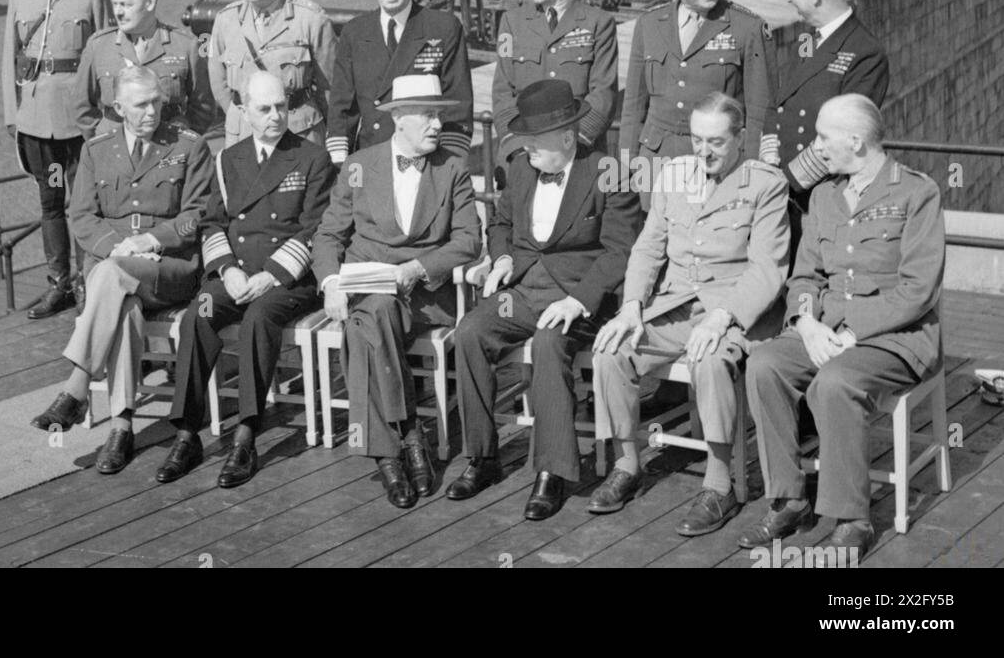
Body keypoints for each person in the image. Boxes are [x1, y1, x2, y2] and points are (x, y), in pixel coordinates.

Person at [740, 95, 944, 563]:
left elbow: (918, 290)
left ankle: (852, 519)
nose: (815, 147)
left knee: (835, 382)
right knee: (765, 364)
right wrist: (805, 323)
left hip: (895, 338)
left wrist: (852, 333)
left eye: (823, 137)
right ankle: (789, 499)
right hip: (826, 329)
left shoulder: (916, 192)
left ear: (855, 140)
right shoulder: (824, 196)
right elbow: (805, 277)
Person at [592, 94, 789, 537]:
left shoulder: (764, 184)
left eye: (716, 142)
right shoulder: (674, 174)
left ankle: (719, 483)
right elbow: (649, 246)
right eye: (697, 140)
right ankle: (627, 465)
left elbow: (767, 269)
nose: (704, 151)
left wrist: (723, 317)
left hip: (733, 310)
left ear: (740, 138)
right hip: (676, 304)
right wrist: (631, 306)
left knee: (710, 359)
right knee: (611, 349)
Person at [447, 80, 641, 522]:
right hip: (523, 291)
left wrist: (578, 301)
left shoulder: (610, 172)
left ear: (568, 137)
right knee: (470, 331)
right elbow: (500, 224)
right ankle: (482, 456)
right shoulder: (520, 168)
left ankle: (552, 472)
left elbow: (619, 252)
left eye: (536, 138)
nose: (526, 145)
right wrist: (501, 259)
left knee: (549, 342)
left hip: (577, 297)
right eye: (525, 136)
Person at [156, 71, 335, 489]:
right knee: (198, 315)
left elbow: (316, 228)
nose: (275, 116)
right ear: (244, 111)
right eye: (264, 109)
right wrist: (228, 269)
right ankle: (187, 433)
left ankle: (246, 434)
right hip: (235, 272)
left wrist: (271, 275)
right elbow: (212, 222)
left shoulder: (312, 158)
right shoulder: (227, 159)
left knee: (258, 318)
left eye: (281, 107)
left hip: (288, 278)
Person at [29, 68, 212, 474]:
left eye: (156, 102)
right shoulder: (97, 150)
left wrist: (150, 241)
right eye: (141, 104)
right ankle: (122, 427)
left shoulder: (189, 146)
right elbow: (81, 216)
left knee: (111, 278)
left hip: (168, 269)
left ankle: (76, 387)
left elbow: (197, 215)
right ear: (118, 108)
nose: (152, 111)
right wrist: (118, 249)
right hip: (114, 269)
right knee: (123, 304)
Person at [312, 74, 481, 510]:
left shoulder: (453, 168)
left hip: (425, 296)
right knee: (373, 314)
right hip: (367, 290)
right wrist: (330, 283)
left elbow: (468, 240)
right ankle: (407, 439)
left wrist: (418, 267)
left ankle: (388, 451)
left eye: (439, 115)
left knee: (364, 325)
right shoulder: (359, 164)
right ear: (399, 118)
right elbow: (329, 235)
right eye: (427, 115)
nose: (437, 124)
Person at [1, 0, 111, 318]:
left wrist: (105, 118)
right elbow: (8, 59)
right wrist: (12, 115)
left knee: (84, 204)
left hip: (78, 120)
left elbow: (106, 56)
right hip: (37, 120)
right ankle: (58, 283)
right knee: (50, 202)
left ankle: (87, 283)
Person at [620, 0, 775, 185]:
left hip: (718, 162)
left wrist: (750, 171)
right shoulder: (649, 24)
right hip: (657, 161)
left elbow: (759, 111)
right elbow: (634, 104)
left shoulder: (747, 27)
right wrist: (626, 165)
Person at [760, 0, 890, 244]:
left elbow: (845, 133)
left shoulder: (866, 53)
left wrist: (789, 181)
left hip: (816, 200)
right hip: (782, 196)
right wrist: (769, 165)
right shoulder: (808, 40)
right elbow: (779, 103)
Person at [325, 0, 473, 165]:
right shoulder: (355, 33)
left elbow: (458, 103)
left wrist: (451, 162)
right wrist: (340, 163)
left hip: (429, 160)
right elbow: (342, 107)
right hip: (372, 158)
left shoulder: (442, 28)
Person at [491, 0, 618, 157]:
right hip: (524, 154)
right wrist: (518, 148)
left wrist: (568, 147)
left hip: (579, 154)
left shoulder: (599, 24)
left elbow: (603, 94)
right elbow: (502, 92)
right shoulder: (510, 23)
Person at [208, 0, 337, 145]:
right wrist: (246, 116)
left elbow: (329, 87)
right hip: (244, 134)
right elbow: (219, 84)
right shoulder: (226, 20)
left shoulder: (310, 19)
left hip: (298, 133)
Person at [72, 0, 214, 138]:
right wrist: (101, 143)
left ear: (150, 3)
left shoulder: (185, 46)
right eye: (115, 4)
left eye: (126, 5)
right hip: (115, 145)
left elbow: (203, 107)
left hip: (167, 144)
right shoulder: (99, 46)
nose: (118, 12)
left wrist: (182, 142)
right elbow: (81, 106)